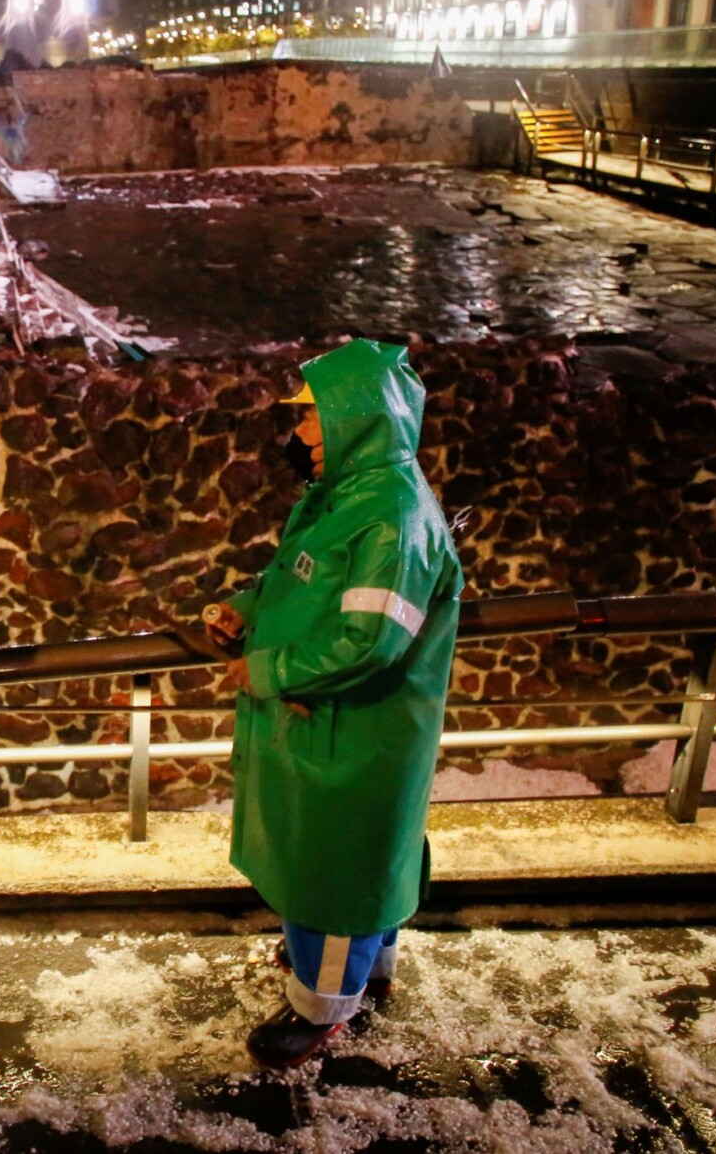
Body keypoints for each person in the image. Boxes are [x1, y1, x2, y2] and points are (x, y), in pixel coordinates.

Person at [206, 339, 463, 1068]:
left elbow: (369, 642)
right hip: (330, 727)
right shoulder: (351, 494)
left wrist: (271, 670)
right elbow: (300, 579)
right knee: (342, 859)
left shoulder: (392, 517)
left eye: (313, 418)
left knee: (339, 871)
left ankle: (320, 1013)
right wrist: (245, 605)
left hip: (352, 733)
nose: (301, 435)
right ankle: (356, 975)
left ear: (358, 418)